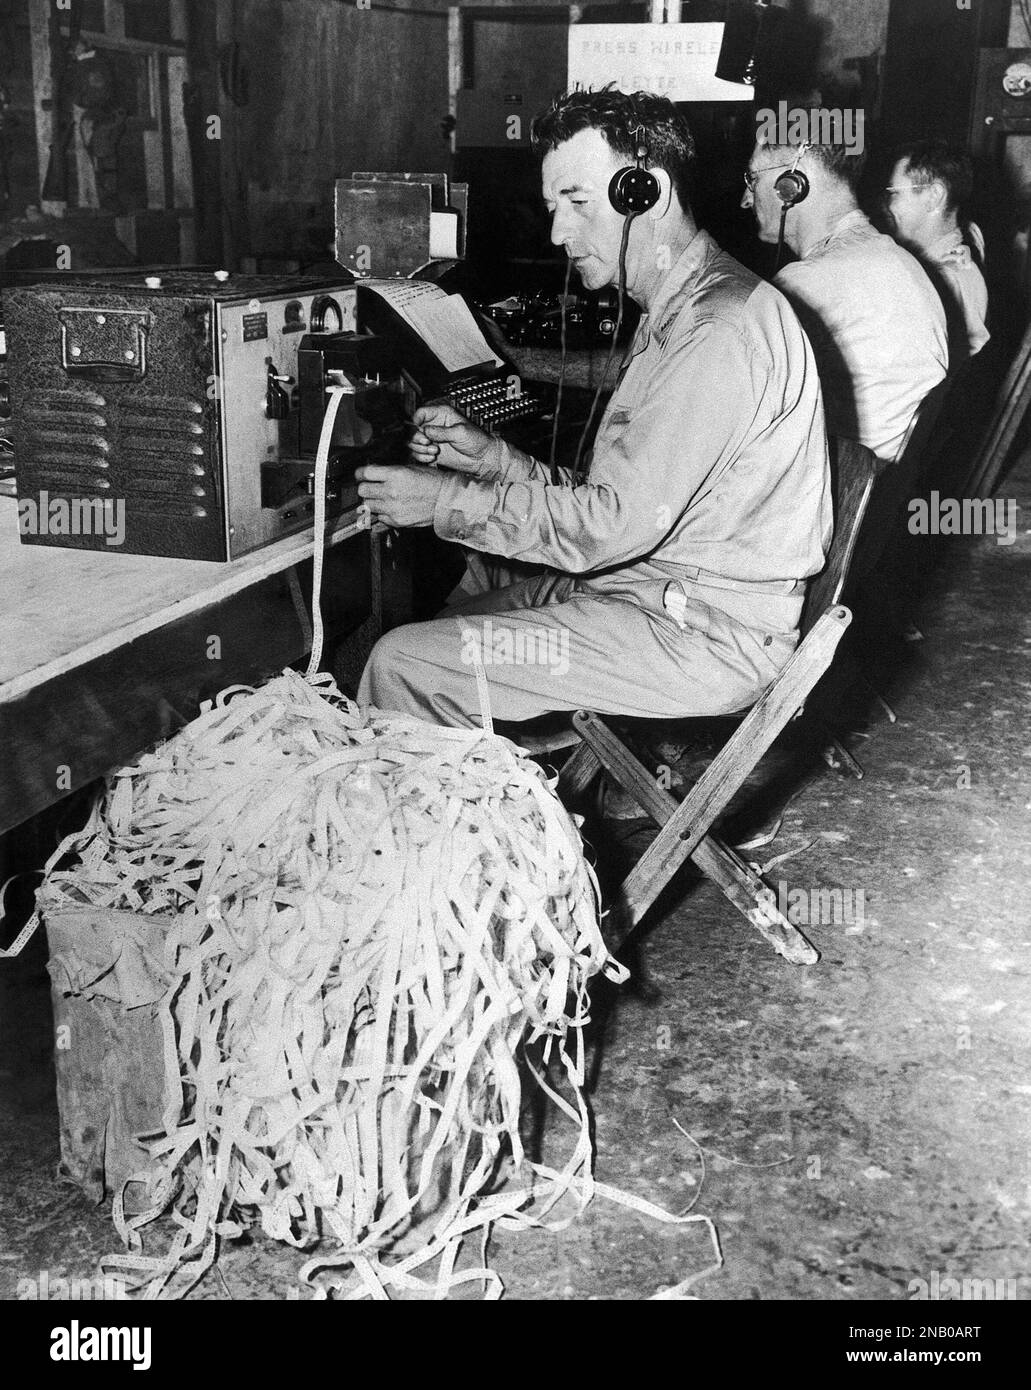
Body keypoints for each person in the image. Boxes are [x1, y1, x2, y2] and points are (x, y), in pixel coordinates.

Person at [354, 88, 831, 730]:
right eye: (554, 207)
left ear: (646, 193)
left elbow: (609, 527)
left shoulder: (717, 330)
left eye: (577, 203)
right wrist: (495, 461)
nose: (557, 232)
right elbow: (622, 502)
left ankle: (471, 827)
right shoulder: (686, 305)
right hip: (645, 591)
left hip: (697, 638)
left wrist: (441, 503)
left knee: (405, 662)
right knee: (453, 617)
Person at [742, 124, 948, 463]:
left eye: (753, 178)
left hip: (849, 491)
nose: (746, 198)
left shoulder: (805, 284)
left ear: (793, 182)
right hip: (891, 485)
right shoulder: (897, 257)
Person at [884, 140, 989, 367]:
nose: (889, 206)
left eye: (895, 193)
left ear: (934, 196)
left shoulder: (945, 279)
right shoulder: (966, 248)